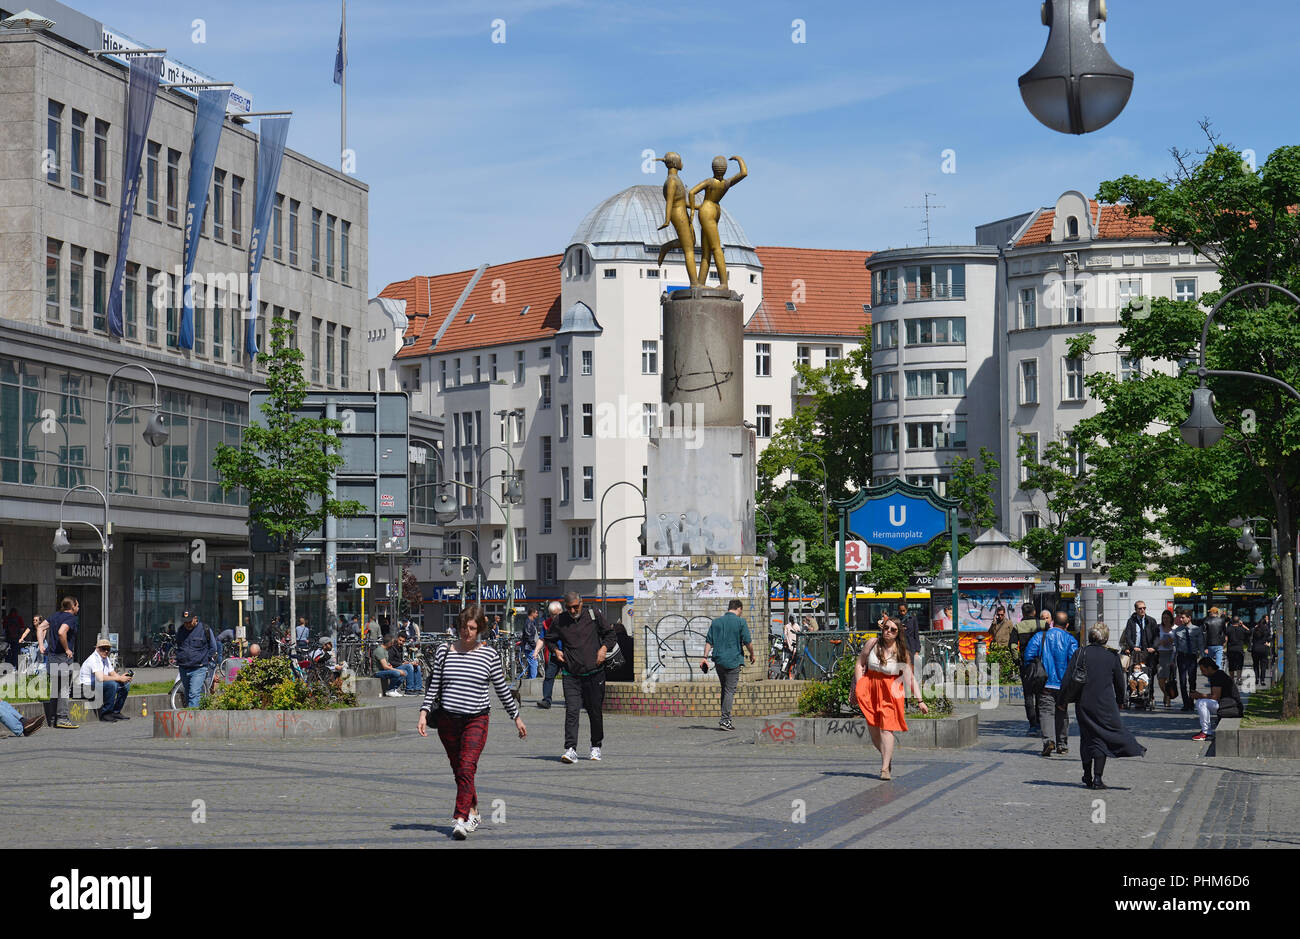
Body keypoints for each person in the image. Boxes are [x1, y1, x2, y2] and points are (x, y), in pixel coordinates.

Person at [417, 605, 525, 840]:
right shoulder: (444, 651)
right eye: (464, 627)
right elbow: (434, 686)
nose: (467, 632)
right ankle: (474, 810)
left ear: (480, 630)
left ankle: (460, 818)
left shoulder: (489, 655)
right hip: (447, 720)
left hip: (476, 719)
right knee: (460, 770)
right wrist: (424, 713)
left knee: (467, 767)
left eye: (472, 628)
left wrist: (515, 717)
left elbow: (502, 690)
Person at [544, 591, 616, 763]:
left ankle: (596, 746)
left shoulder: (594, 615)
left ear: (581, 603)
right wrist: (556, 650)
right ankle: (570, 749)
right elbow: (549, 639)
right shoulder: (560, 620)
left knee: (595, 711)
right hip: (571, 673)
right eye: (569, 608)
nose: (573, 610)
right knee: (572, 711)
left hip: (594, 671)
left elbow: (610, 634)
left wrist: (604, 649)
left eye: (576, 607)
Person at [853, 617, 928, 780]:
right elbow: (860, 663)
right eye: (886, 628)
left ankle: (884, 768)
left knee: (887, 728)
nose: (888, 631)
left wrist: (920, 700)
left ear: (898, 633)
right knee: (874, 732)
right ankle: (887, 755)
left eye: (893, 630)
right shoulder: (872, 643)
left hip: (891, 689)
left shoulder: (901, 652)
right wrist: (859, 686)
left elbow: (909, 677)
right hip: (870, 687)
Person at [1074, 622, 1146, 789]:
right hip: (1105, 703)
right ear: (1105, 638)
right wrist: (1121, 701)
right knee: (1101, 738)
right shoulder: (1112, 656)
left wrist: (1063, 700)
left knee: (1087, 737)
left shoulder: (1080, 653)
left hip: (1084, 702)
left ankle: (1087, 774)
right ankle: (1097, 778)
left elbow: (1070, 677)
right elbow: (1119, 683)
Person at [1024, 611, 1079, 757]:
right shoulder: (1071, 640)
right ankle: (1062, 744)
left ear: (1053, 622)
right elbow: (1074, 663)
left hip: (1045, 682)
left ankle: (1048, 741)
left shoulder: (1040, 636)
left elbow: (1028, 656)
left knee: (1046, 712)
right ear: (1067, 625)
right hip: (1063, 684)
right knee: (1062, 711)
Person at [701, 599, 754, 732]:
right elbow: (748, 641)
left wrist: (704, 657)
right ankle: (725, 720)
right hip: (733, 660)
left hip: (718, 661)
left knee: (725, 689)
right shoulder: (740, 622)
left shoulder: (716, 622)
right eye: (741, 610)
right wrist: (752, 654)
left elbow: (709, 641)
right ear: (739, 609)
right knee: (729, 690)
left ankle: (725, 718)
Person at [44, 596, 80, 729]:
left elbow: (41, 627)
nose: (78, 608)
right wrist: (67, 649)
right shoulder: (71, 618)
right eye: (77, 605)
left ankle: (53, 718)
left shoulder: (54, 616)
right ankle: (63, 718)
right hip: (63, 658)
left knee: (55, 689)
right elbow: (61, 632)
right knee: (64, 689)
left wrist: (42, 646)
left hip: (52, 657)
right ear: (73, 606)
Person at [79, 637, 132, 721]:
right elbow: (100, 678)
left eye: (108, 649)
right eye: (103, 648)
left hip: (96, 685)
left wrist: (122, 678)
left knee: (125, 685)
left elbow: (112, 673)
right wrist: (119, 679)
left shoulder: (105, 658)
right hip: (85, 688)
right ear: (97, 648)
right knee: (112, 684)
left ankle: (116, 712)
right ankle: (105, 714)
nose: (106, 651)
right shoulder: (93, 659)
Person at [176, 612, 219, 707]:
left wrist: (205, 659)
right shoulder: (181, 630)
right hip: (183, 667)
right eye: (185, 622)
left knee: (194, 693)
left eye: (189, 621)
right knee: (187, 693)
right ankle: (192, 714)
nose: (187, 624)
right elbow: (179, 646)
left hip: (199, 668)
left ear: (195, 619)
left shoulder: (204, 629)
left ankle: (192, 718)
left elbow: (213, 647)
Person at [1012, 602, 1043, 736]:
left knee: (1028, 695)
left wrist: (1018, 660)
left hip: (1026, 665)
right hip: (1042, 664)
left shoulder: (1017, 627)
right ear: (1034, 612)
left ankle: (1033, 724)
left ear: (1023, 614)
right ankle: (1042, 721)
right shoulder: (1043, 625)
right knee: (1041, 695)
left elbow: (1013, 646)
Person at [1192, 657, 1240, 741]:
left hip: (1230, 707)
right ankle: (1206, 731)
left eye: (1203, 670)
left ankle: (1206, 732)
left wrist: (1199, 695)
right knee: (1201, 701)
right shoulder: (1218, 674)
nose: (1202, 673)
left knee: (1201, 703)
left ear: (1209, 668)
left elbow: (1215, 697)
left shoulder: (1217, 676)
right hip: (1229, 705)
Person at [1172, 608, 1205, 712]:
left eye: (1183, 617)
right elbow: (1175, 646)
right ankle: (1185, 703)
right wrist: (1173, 660)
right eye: (1180, 617)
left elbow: (1200, 645)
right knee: (1182, 681)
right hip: (1182, 657)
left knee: (1192, 680)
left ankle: (1191, 701)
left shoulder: (1197, 629)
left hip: (1192, 657)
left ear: (1189, 618)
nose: (1181, 619)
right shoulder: (1177, 631)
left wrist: (1204, 657)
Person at [535, 601, 563, 709]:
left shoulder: (568, 622)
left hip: (568, 654)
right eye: (552, 614)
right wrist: (536, 651)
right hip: (554, 654)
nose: (554, 616)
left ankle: (572, 701)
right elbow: (542, 639)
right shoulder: (546, 623)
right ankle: (546, 700)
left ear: (561, 611)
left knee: (569, 678)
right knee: (548, 677)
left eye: (556, 614)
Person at [1120, 601, 1158, 667]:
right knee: (1134, 673)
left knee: (1148, 673)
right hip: (1135, 652)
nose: (1142, 610)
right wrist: (1133, 647)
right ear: (1136, 610)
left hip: (1148, 652)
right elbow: (1128, 637)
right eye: (1140, 608)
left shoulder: (1151, 621)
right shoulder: (1131, 621)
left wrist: (1154, 647)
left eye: (1144, 608)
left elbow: (1157, 636)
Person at [1154, 610, 1178, 707]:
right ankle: (1166, 694)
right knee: (1160, 678)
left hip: (1172, 654)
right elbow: (1154, 641)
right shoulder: (1158, 628)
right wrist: (1160, 642)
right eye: (1164, 618)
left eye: (1167, 617)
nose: (1165, 619)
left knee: (1169, 678)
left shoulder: (1175, 628)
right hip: (1161, 653)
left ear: (1171, 618)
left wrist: (1172, 640)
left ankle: (1168, 697)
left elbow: (1179, 641)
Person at [1224, 617, 1250, 688]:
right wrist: (1243, 625)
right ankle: (1239, 678)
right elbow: (1249, 631)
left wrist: (1224, 647)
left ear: (1232, 622)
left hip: (1231, 649)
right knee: (1239, 664)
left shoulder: (1228, 629)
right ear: (1239, 621)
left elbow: (1226, 639)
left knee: (1231, 665)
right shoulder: (1242, 629)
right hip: (1239, 649)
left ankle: (1232, 679)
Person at [1249, 618, 1272, 689]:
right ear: (1265, 624)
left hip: (1255, 648)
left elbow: (1250, 636)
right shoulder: (1266, 630)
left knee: (1255, 664)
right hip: (1263, 648)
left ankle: (1256, 678)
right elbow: (1269, 639)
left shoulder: (1255, 630)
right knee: (1263, 665)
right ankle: (1262, 680)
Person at [1202, 606, 1227, 670]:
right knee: (1218, 663)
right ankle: (1219, 677)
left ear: (1212, 612)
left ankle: (1211, 678)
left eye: (1210, 612)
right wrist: (1224, 641)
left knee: (1210, 664)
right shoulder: (1221, 620)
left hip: (1209, 644)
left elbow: (1204, 634)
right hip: (1219, 644)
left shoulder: (1206, 621)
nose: (1209, 613)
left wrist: (1205, 647)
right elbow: (1224, 632)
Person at [519, 606, 540, 679]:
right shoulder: (528, 622)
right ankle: (533, 680)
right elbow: (528, 636)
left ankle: (529, 679)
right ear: (532, 613)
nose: (537, 615)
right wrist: (534, 645)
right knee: (534, 663)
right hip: (530, 647)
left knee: (531, 663)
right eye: (536, 613)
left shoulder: (532, 622)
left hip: (530, 646)